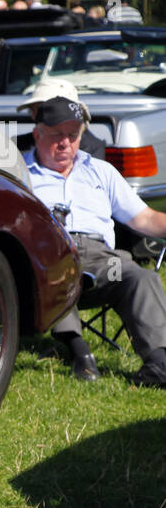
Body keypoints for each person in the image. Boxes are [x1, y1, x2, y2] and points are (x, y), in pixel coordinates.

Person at [25, 96, 166, 387]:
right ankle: (79, 352)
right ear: (38, 134)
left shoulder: (100, 171)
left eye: (73, 135)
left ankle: (158, 362)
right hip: (49, 257)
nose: (66, 143)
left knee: (140, 277)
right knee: (58, 270)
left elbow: (144, 218)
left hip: (102, 262)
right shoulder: (21, 174)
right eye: (57, 134)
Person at [13, 78, 105, 161]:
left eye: (47, 109)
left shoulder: (91, 149)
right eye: (34, 109)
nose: (35, 115)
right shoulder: (17, 145)